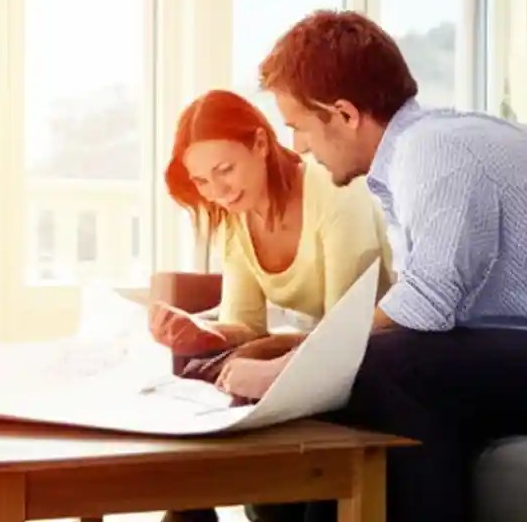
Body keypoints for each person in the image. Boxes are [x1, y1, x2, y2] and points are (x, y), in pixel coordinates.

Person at [232, 9, 527, 522]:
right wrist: (299, 363)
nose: (298, 147)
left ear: (345, 114)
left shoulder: (432, 152)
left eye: (300, 127)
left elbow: (427, 305)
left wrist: (289, 369)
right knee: (365, 377)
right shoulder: (424, 151)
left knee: (388, 367)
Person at [150, 89, 394, 522]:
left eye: (225, 170)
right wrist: (198, 332)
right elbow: (245, 323)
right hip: (309, 358)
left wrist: (261, 351)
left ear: (261, 144)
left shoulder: (335, 191)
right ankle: (191, 507)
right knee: (191, 377)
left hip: (374, 352)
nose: (218, 192)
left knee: (241, 369)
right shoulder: (236, 217)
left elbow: (346, 333)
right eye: (202, 181)